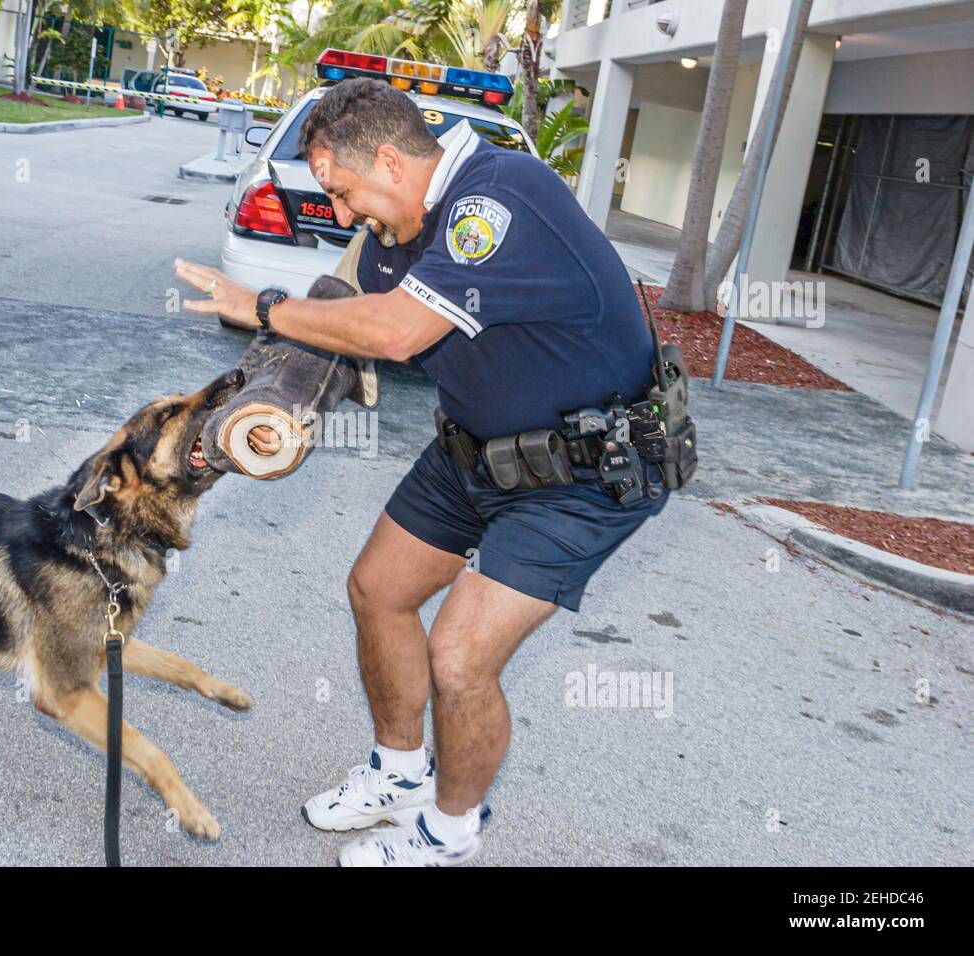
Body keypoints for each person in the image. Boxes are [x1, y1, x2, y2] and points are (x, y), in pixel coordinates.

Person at [175, 77, 670, 866]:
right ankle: (400, 776)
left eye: (342, 193)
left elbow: (397, 331)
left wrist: (261, 305)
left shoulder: (499, 198)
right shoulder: (387, 230)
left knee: (461, 657)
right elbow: (335, 326)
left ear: (389, 160)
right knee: (379, 591)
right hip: (477, 447)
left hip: (586, 468)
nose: (341, 215)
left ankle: (449, 832)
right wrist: (262, 413)